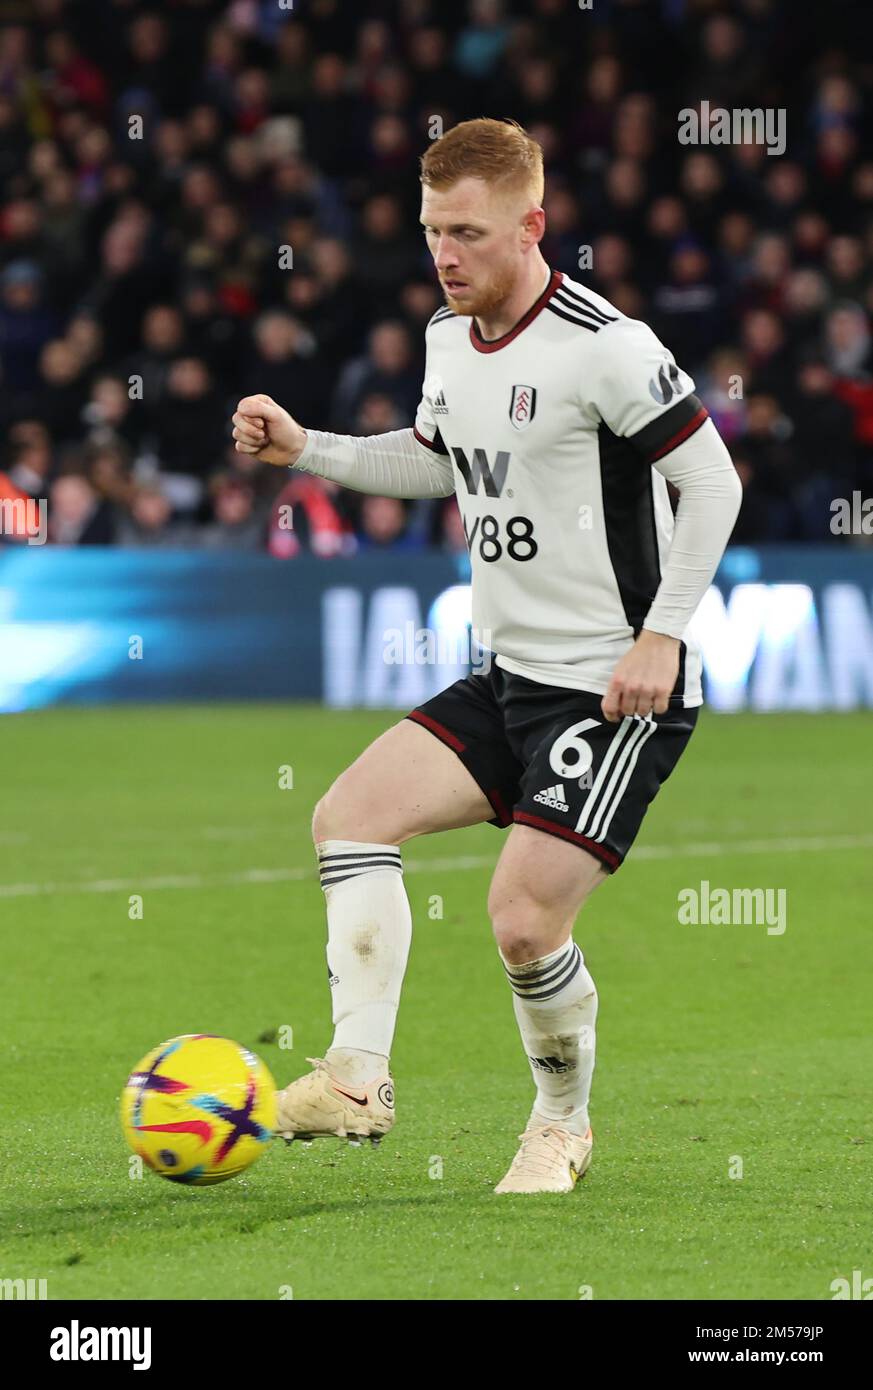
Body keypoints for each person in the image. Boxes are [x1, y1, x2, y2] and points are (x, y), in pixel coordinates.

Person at [231, 119, 742, 1194]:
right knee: (349, 817)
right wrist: (306, 448)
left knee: (519, 921)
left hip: (612, 686)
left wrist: (664, 635)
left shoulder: (605, 343)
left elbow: (713, 481)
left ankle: (561, 1125)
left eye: (467, 232)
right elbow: (436, 463)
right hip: (508, 677)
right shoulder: (447, 341)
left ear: (532, 227)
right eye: (431, 232)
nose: (445, 255)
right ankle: (357, 1078)